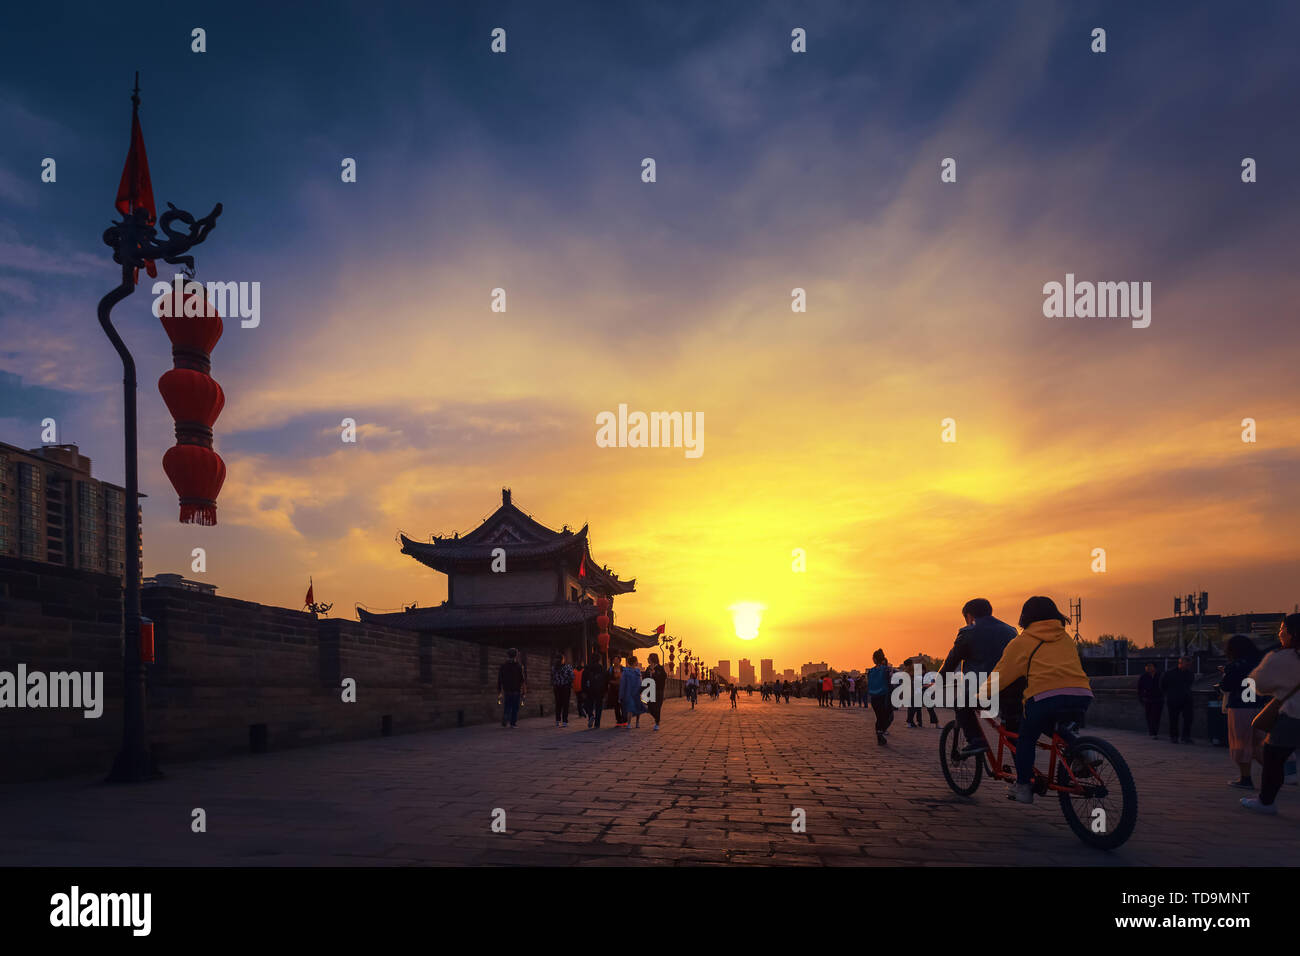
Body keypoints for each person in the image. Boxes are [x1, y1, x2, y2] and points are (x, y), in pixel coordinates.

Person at [983, 596, 1093, 805]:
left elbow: (1001, 676)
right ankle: (1080, 748)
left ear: (1026, 616)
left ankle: (1024, 787)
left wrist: (978, 695)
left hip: (1045, 697)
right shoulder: (1065, 638)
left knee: (1026, 738)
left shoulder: (1022, 642)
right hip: (1081, 694)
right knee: (1052, 726)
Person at [939, 598, 1019, 755]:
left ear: (969, 616)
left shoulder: (968, 633)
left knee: (961, 704)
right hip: (1013, 689)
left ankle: (976, 740)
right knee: (1014, 737)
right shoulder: (1011, 631)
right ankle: (1024, 775)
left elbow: (952, 661)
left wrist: (939, 681)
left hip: (984, 690)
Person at [1241, 614, 1300, 815]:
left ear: (1291, 634)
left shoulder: (1283, 658)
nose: (1279, 632)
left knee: (1274, 757)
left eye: (1282, 629)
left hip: (1293, 716)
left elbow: (1256, 684)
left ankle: (1266, 802)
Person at [1218, 635, 1265, 789]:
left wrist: (1225, 673)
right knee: (1258, 744)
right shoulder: (1260, 663)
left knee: (1240, 743)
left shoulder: (1235, 666)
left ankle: (1246, 778)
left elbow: (1226, 686)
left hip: (1240, 707)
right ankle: (1276, 771)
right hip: (1258, 705)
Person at [1161, 657, 1196, 743]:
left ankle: (1185, 736)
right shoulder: (1169, 673)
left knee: (1188, 718)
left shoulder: (1190, 674)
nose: (1188, 666)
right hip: (1173, 699)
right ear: (1180, 663)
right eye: (1186, 664)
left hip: (1186, 699)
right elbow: (1162, 685)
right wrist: (1169, 694)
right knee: (1173, 719)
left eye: (1189, 665)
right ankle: (1174, 736)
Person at [866, 650, 894, 746]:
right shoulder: (887, 669)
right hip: (884, 696)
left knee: (879, 717)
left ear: (874, 659)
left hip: (874, 697)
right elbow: (892, 681)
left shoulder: (871, 671)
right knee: (889, 716)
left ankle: (879, 734)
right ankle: (880, 732)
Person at [497, 648, 526, 728]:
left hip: (507, 689)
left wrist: (499, 690)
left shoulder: (503, 666)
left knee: (507, 705)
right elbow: (522, 680)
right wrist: (524, 691)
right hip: (516, 689)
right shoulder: (519, 666)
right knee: (515, 707)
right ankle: (513, 723)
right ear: (516, 655)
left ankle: (506, 716)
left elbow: (500, 679)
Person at [1136, 661, 1163, 738]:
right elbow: (1140, 688)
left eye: (1150, 666)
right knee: (1149, 716)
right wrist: (1141, 698)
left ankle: (1155, 732)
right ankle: (1152, 732)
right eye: (1147, 666)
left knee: (1157, 716)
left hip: (1158, 699)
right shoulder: (1143, 677)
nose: (1148, 668)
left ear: (1155, 667)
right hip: (1148, 699)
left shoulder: (1160, 676)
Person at [620, 655, 644, 729]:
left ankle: (637, 722)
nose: (637, 662)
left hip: (637, 691)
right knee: (630, 708)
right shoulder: (626, 672)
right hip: (629, 692)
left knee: (638, 707)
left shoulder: (638, 671)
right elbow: (623, 683)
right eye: (636, 661)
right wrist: (621, 695)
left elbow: (641, 681)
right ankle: (629, 723)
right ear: (634, 662)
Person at [584, 651, 607, 729]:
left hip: (589, 689)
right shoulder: (602, 668)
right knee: (598, 707)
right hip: (599, 690)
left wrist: (583, 690)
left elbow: (583, 680)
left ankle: (590, 715)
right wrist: (605, 691)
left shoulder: (587, 668)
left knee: (588, 705)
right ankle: (597, 724)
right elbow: (605, 680)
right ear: (599, 659)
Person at [645, 652, 668, 730]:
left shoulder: (660, 668)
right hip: (650, 691)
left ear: (652, 659)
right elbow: (645, 678)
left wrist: (655, 674)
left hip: (658, 690)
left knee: (657, 707)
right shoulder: (648, 669)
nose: (647, 659)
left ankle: (657, 722)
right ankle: (656, 718)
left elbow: (664, 677)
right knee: (650, 707)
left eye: (649, 658)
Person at [551, 653, 574, 728]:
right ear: (563, 660)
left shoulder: (554, 668)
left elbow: (552, 678)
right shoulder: (568, 667)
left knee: (558, 704)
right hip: (565, 687)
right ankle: (564, 721)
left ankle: (558, 720)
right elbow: (572, 677)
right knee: (565, 704)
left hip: (557, 687)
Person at [608, 656, 626, 727]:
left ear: (619, 661)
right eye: (614, 659)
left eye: (616, 660)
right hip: (613, 689)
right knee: (616, 706)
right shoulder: (610, 669)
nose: (615, 661)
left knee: (623, 705)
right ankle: (618, 720)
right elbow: (608, 678)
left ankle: (624, 720)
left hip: (622, 689)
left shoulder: (624, 669)